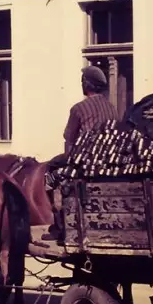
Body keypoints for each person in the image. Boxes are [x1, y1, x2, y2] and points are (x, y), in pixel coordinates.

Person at [42, 65, 118, 242]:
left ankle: (60, 227)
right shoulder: (112, 108)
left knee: (50, 171)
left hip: (86, 162)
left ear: (86, 84)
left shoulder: (78, 109)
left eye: (82, 81)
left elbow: (69, 139)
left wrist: (69, 166)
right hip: (110, 161)